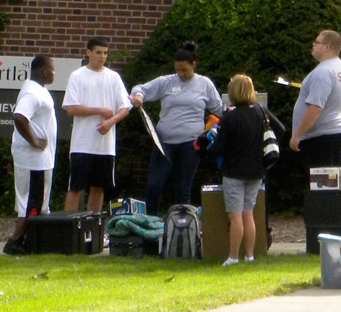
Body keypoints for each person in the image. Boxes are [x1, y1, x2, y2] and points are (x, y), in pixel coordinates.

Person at [130, 41, 223, 216]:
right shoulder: (166, 82)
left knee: (183, 186)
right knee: (154, 184)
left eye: (185, 70)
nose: (181, 73)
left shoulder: (205, 84)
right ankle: (150, 221)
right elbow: (138, 89)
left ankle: (182, 225)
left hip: (191, 144)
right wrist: (139, 96)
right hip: (165, 143)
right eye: (178, 70)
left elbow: (219, 108)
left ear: (193, 64)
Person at [211, 73, 285, 265]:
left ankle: (233, 257)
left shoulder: (230, 115)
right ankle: (250, 255)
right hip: (256, 170)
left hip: (233, 172)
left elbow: (218, 147)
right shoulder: (260, 111)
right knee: (248, 214)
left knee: (235, 216)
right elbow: (281, 129)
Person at [62, 36, 132, 213]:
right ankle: (69, 227)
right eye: (98, 52)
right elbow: (71, 108)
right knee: (76, 187)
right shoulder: (77, 76)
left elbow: (125, 107)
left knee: (99, 187)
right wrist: (99, 110)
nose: (102, 56)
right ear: (88, 53)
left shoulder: (114, 77)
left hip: (105, 147)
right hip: (82, 144)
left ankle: (93, 228)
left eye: (105, 53)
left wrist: (110, 121)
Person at [4, 54, 57, 256]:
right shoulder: (32, 93)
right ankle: (16, 241)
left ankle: (31, 241)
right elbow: (19, 117)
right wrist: (33, 140)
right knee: (31, 202)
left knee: (38, 202)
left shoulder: (39, 90)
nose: (54, 73)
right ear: (44, 72)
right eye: (52, 70)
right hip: (34, 159)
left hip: (41, 159)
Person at [288, 30, 341, 173]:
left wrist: (297, 135)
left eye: (317, 42)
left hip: (323, 139)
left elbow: (316, 108)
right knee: (332, 186)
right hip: (339, 135)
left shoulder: (323, 72)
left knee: (321, 188)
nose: (313, 45)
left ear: (327, 47)